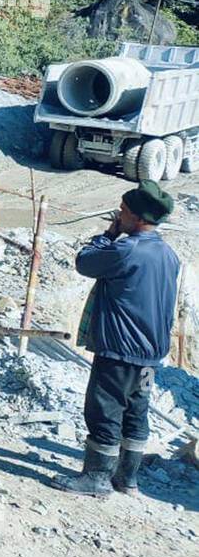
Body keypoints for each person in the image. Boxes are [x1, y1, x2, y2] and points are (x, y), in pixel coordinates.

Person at [56, 181, 179, 497]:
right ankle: (127, 479)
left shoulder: (127, 249)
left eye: (123, 211)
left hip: (120, 349)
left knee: (104, 410)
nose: (118, 215)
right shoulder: (168, 253)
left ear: (138, 218)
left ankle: (97, 478)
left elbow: (85, 261)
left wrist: (108, 234)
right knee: (135, 412)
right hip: (151, 352)